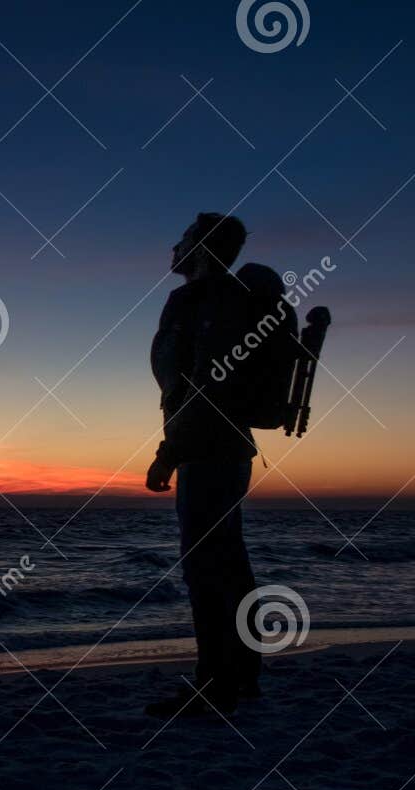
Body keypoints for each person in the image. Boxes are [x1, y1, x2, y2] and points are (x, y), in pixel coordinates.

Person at [144, 213, 261, 718]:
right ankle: (241, 676)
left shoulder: (197, 301)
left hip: (206, 449)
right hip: (229, 449)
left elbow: (199, 385)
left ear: (200, 248)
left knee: (206, 569)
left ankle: (213, 686)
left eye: (185, 237)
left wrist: (167, 452)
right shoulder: (232, 300)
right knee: (229, 565)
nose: (176, 245)